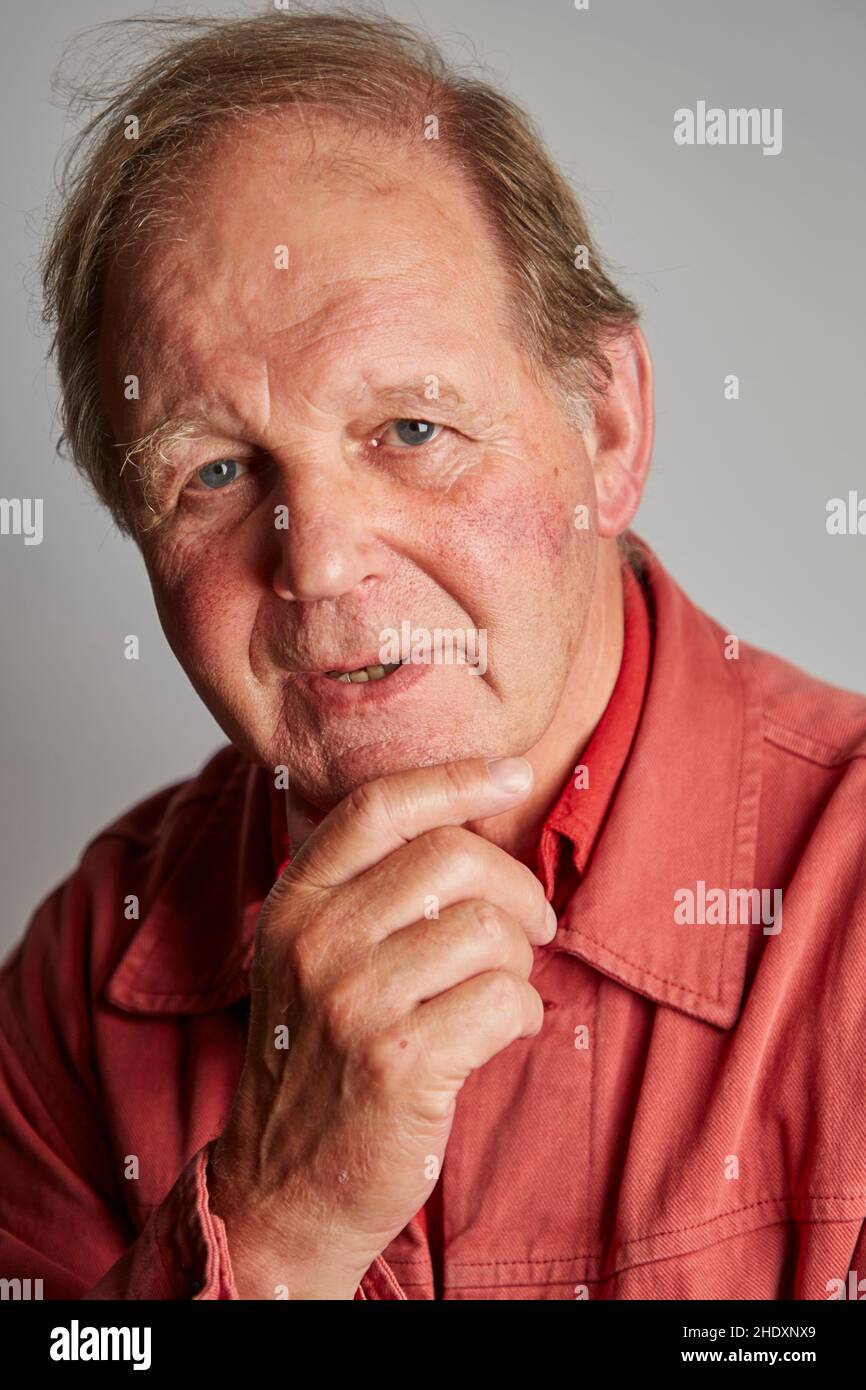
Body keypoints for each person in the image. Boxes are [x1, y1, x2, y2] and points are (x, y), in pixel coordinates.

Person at [2, 9, 864, 1302]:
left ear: (608, 427)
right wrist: (273, 1228)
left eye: (410, 428)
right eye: (216, 472)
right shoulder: (86, 973)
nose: (317, 560)